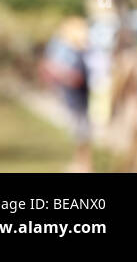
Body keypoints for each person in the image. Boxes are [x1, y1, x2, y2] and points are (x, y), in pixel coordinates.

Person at [40, 16, 92, 171]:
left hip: (80, 96)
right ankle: (81, 163)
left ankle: (85, 164)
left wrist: (62, 75)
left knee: (81, 130)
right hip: (75, 95)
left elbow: (76, 77)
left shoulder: (79, 52)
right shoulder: (74, 50)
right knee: (79, 130)